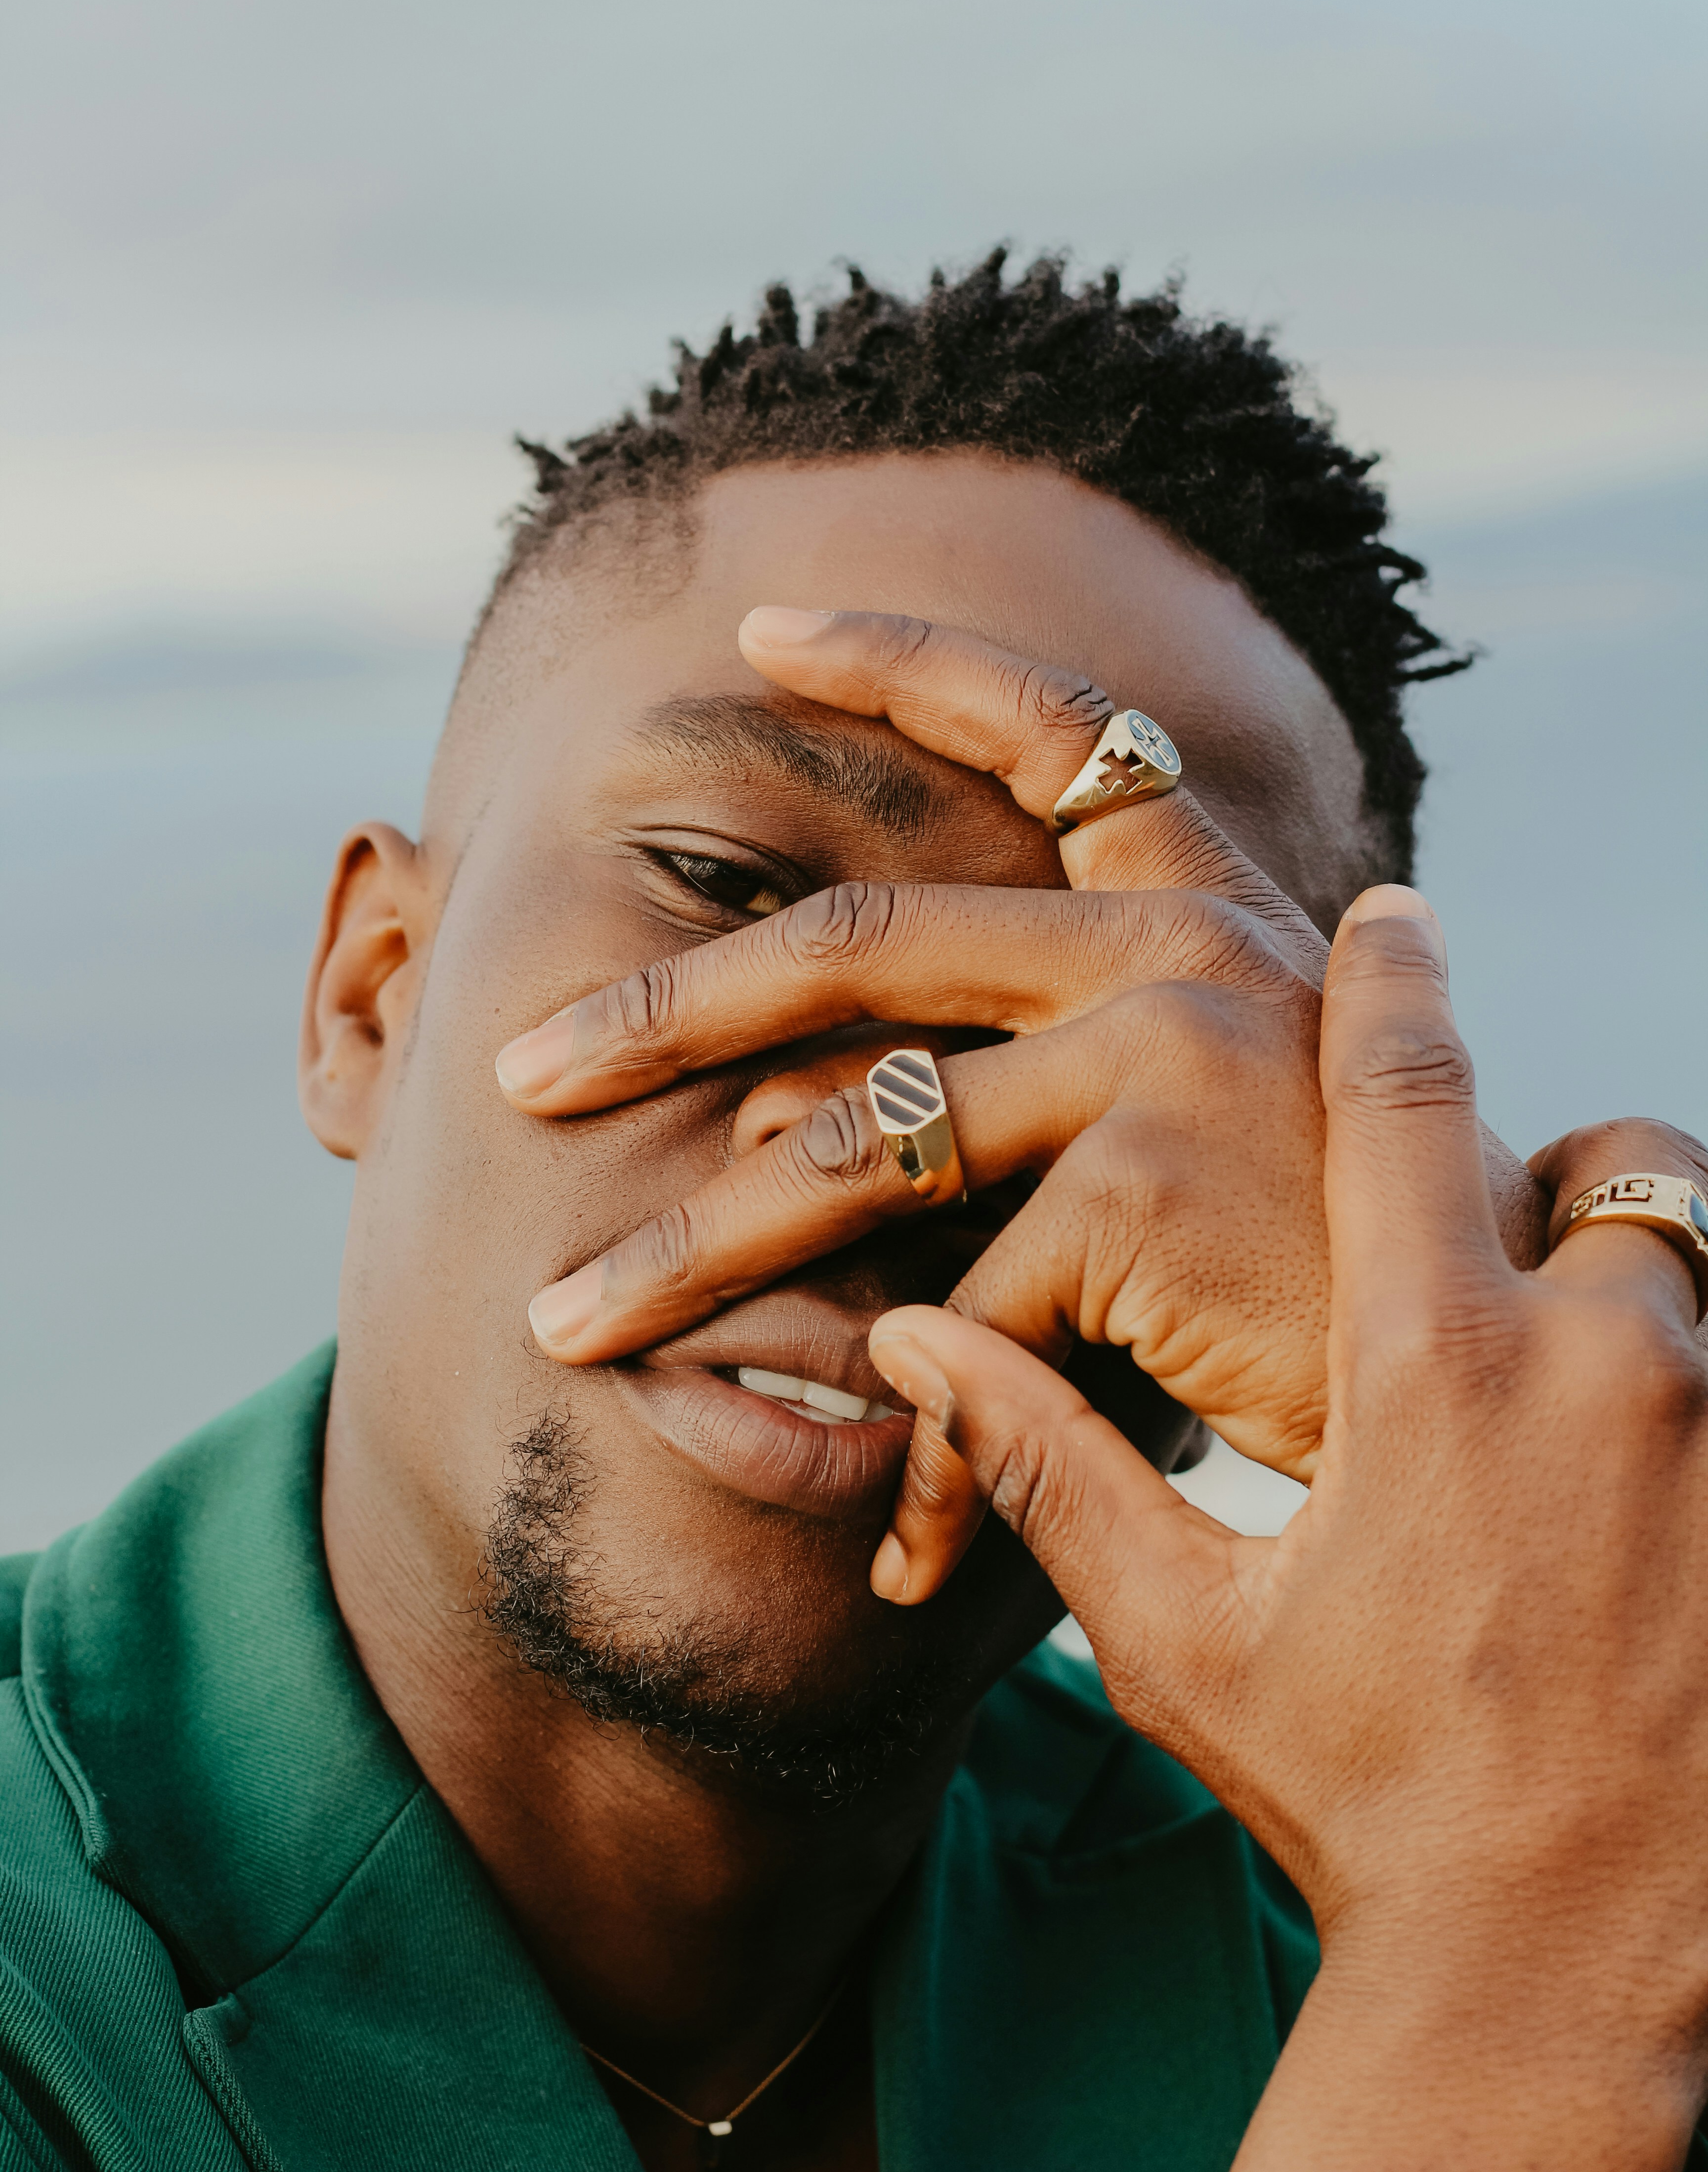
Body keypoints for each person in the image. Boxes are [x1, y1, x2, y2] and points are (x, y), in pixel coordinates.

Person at [1, 254, 1704, 2172]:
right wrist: (1520, 1958)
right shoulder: (1535, 1900)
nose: (906, 1134)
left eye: (1115, 1020)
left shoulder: (1394, 1889)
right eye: (726, 884)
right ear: (367, 997)